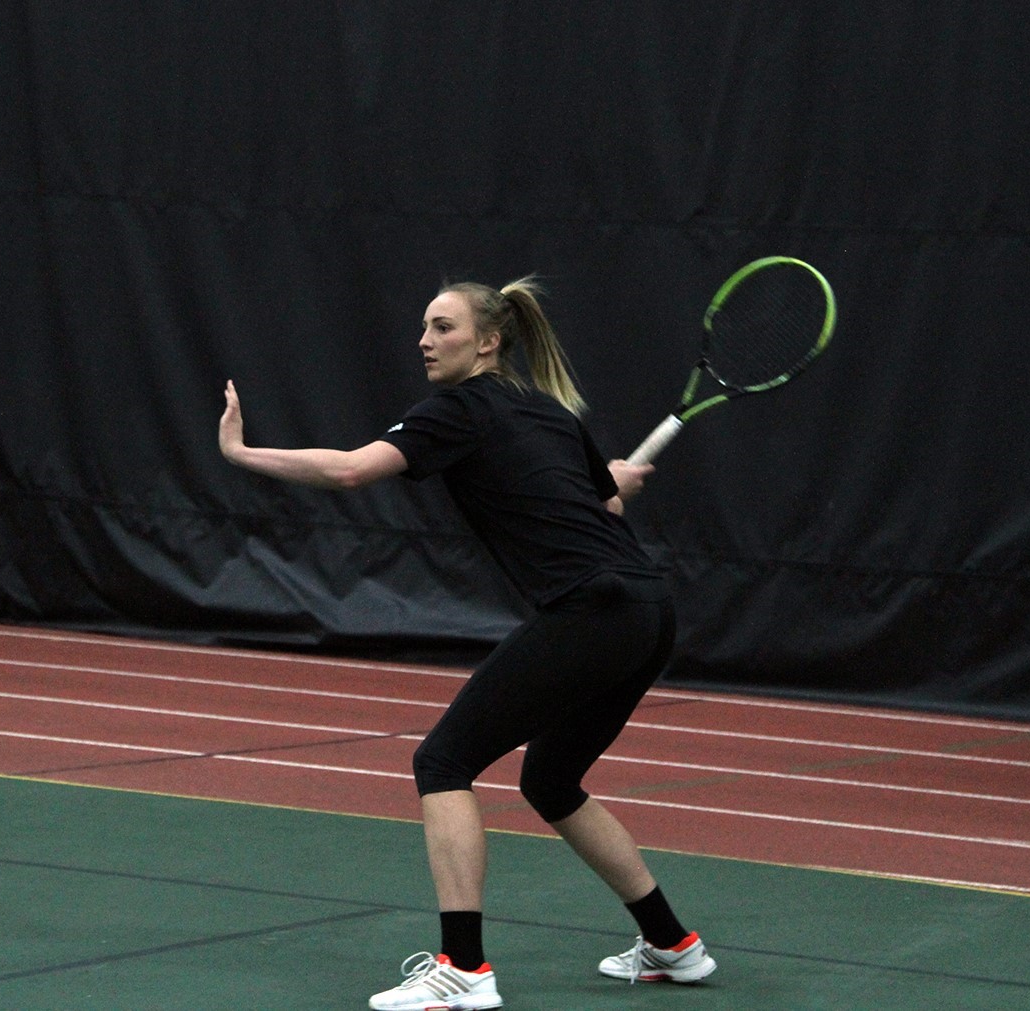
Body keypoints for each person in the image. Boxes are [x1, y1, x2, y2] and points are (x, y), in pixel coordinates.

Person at [218, 277, 716, 1010]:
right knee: (550, 781)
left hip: (592, 610)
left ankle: (464, 968)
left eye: (442, 326)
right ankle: (674, 944)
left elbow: (352, 468)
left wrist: (242, 451)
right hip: (646, 612)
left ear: (487, 340)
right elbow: (598, 499)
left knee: (443, 759)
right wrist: (618, 482)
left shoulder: (456, 409)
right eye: (423, 325)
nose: (424, 339)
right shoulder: (547, 411)